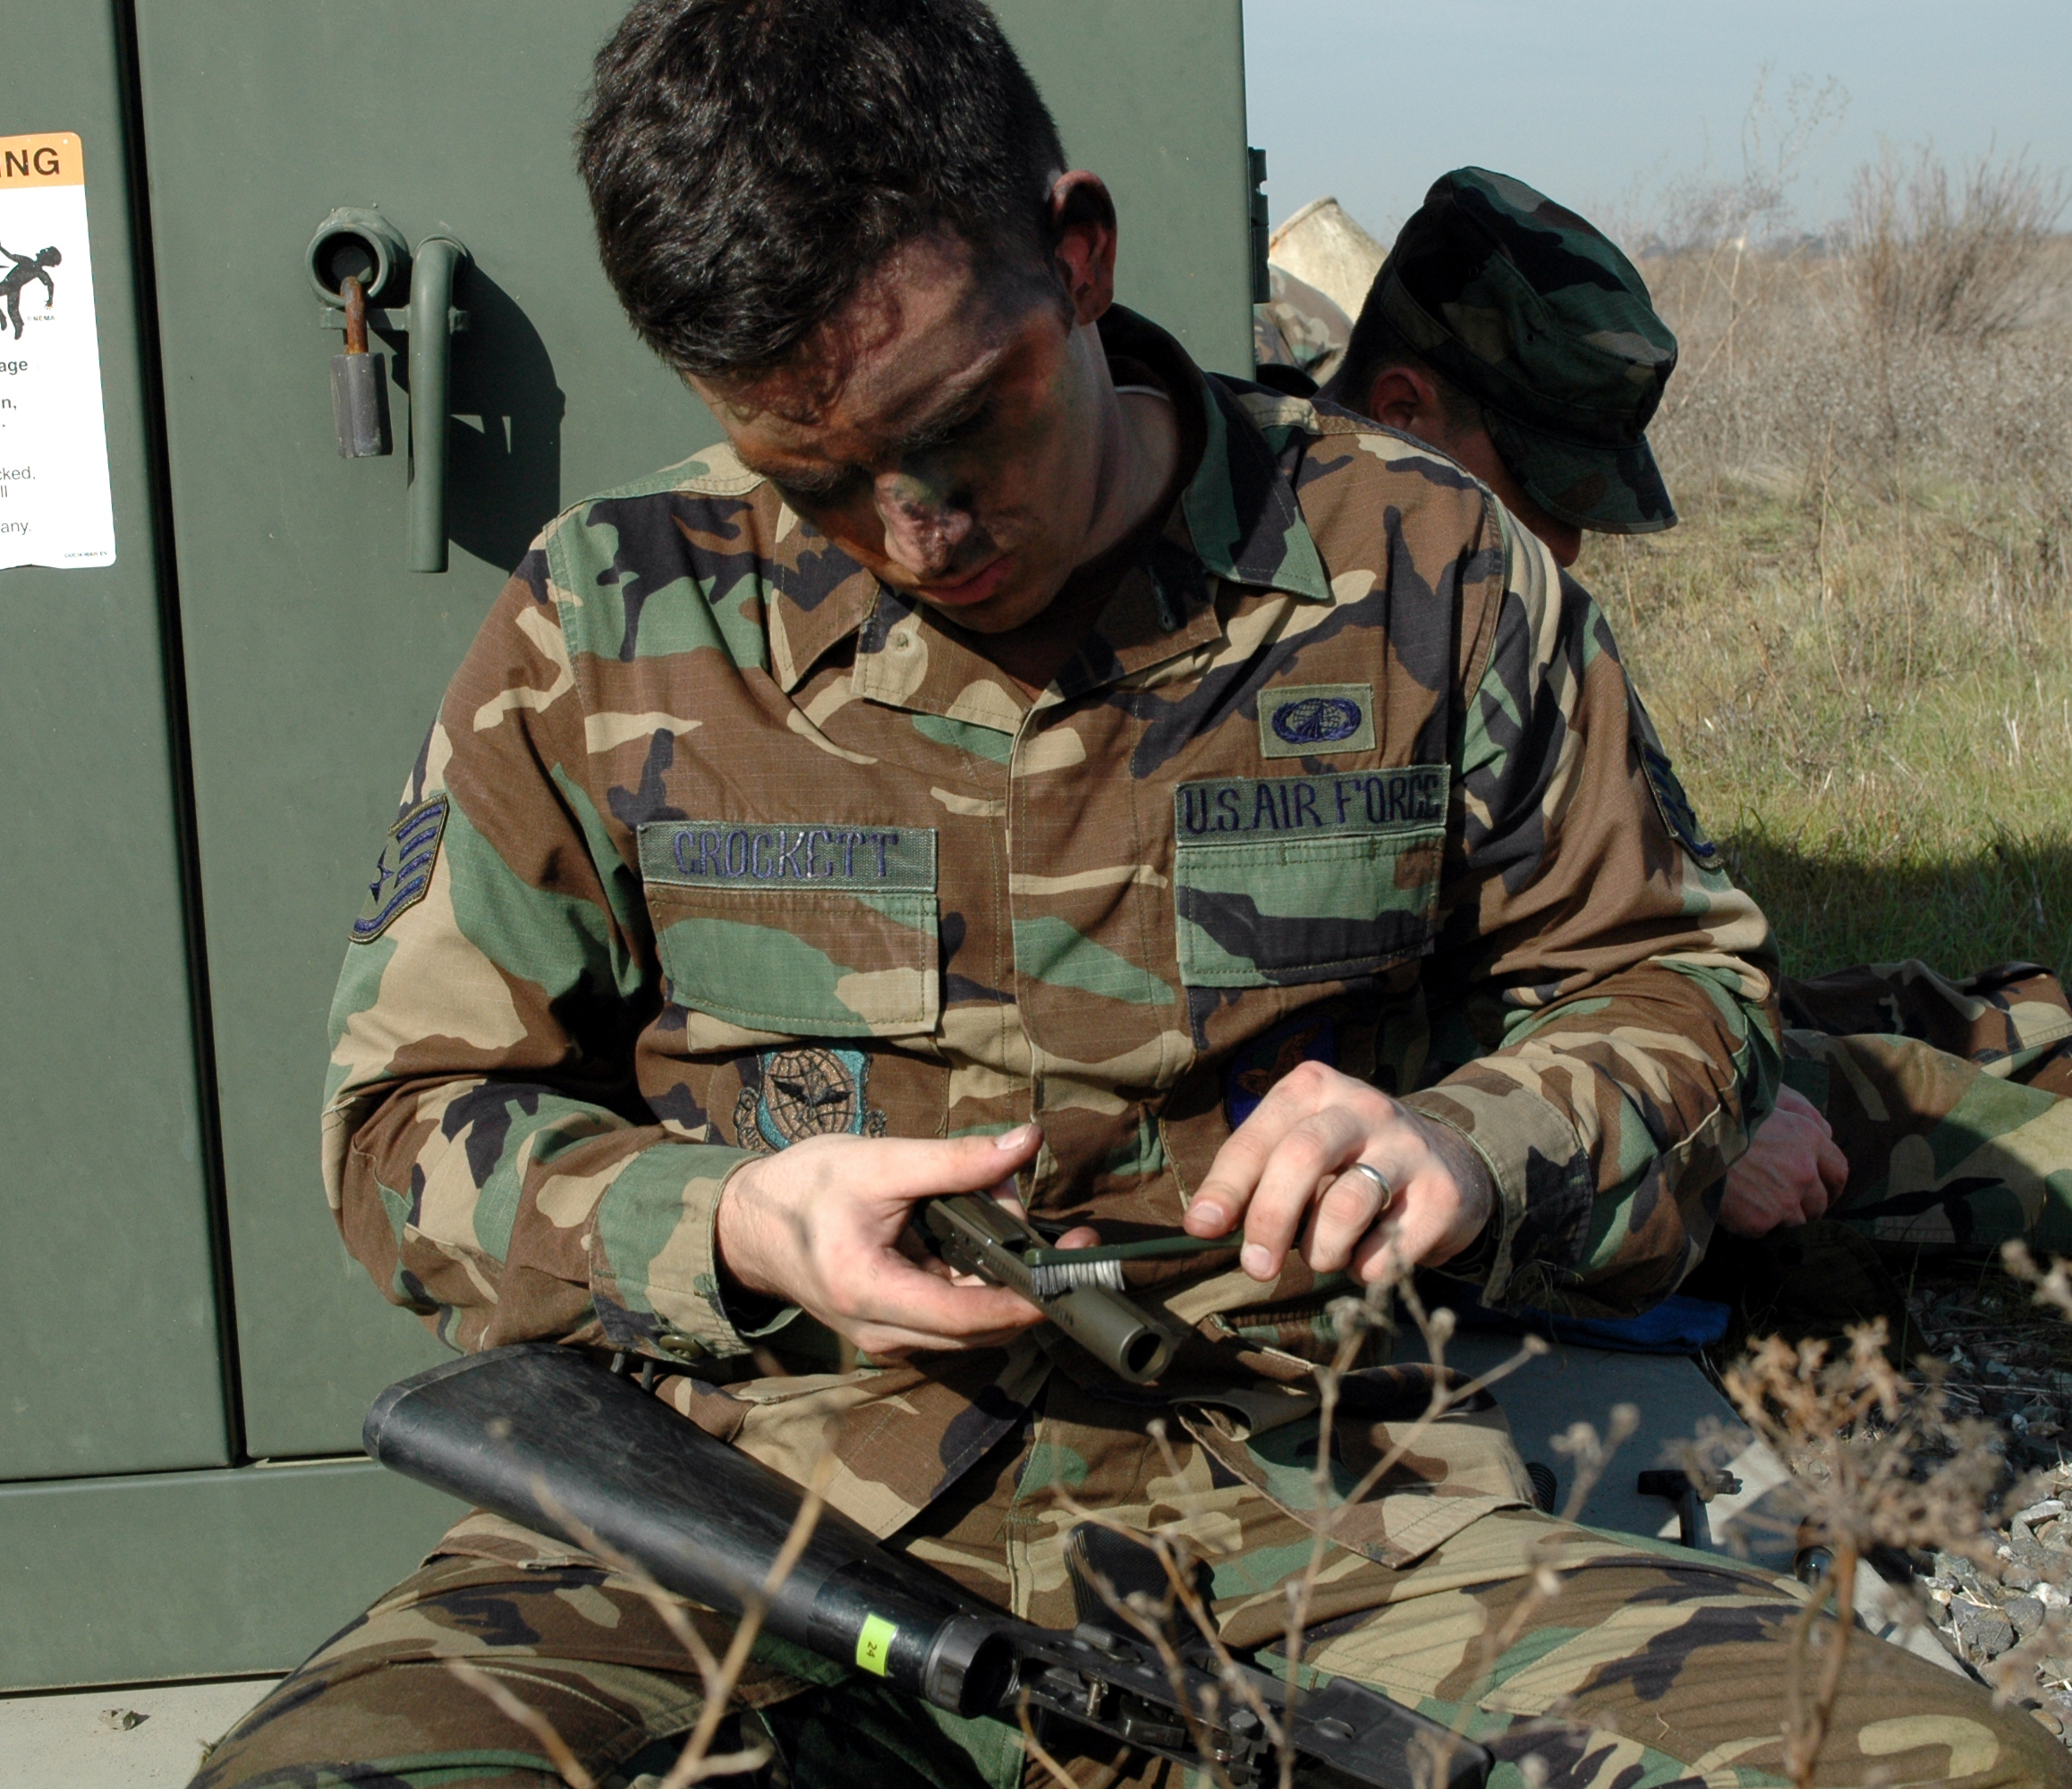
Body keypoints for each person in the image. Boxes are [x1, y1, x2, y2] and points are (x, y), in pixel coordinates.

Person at [193, 11, 2060, 1786]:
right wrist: (732, 1223)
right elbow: (399, 1131)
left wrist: (1472, 1143)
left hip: (1342, 1497)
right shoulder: (607, 619)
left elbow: (1683, 992)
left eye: (962, 419)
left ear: (1076, 254)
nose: (919, 529)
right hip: (745, 1520)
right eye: (813, 476)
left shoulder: (1427, 567)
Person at [1313, 167, 2072, 1259]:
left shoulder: (1459, 595)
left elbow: (1644, 918)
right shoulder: (1272, 626)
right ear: (1400, 413)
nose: (1570, 545)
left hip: (1562, 1041)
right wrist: (1684, 1126)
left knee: (1936, 1013)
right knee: (1930, 1119)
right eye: (1547, 490)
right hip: (1486, 1131)